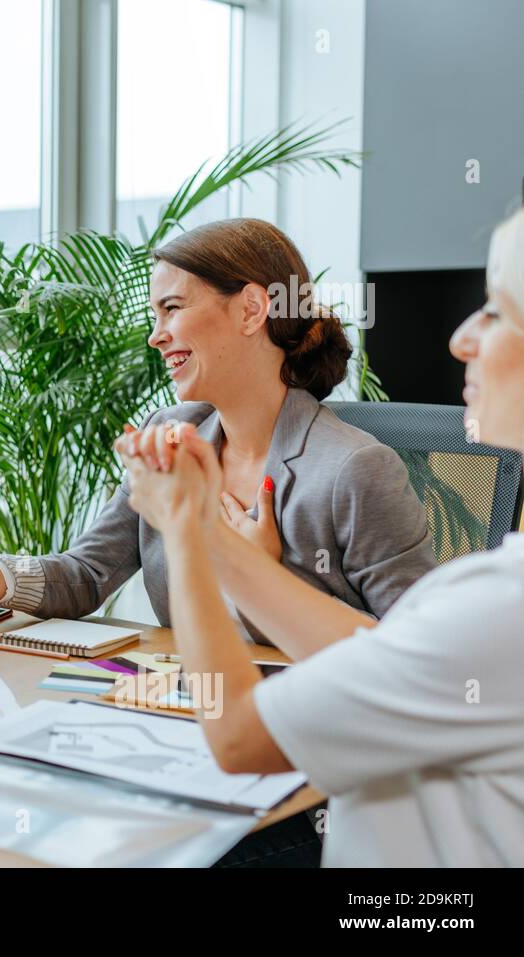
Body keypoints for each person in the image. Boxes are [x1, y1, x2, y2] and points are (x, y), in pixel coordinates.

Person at [116, 207, 524, 866]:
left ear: (253, 311)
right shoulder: (495, 595)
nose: (460, 338)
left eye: (498, 311)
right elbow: (383, 651)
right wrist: (214, 536)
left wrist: (189, 530)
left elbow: (239, 737)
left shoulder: (500, 604)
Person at [0, 218, 436, 649]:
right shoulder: (172, 437)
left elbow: (422, 656)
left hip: (303, 740)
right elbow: (83, 578)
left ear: (252, 310)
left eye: (172, 308)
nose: (156, 335)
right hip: (185, 714)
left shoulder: (354, 470)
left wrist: (260, 576)